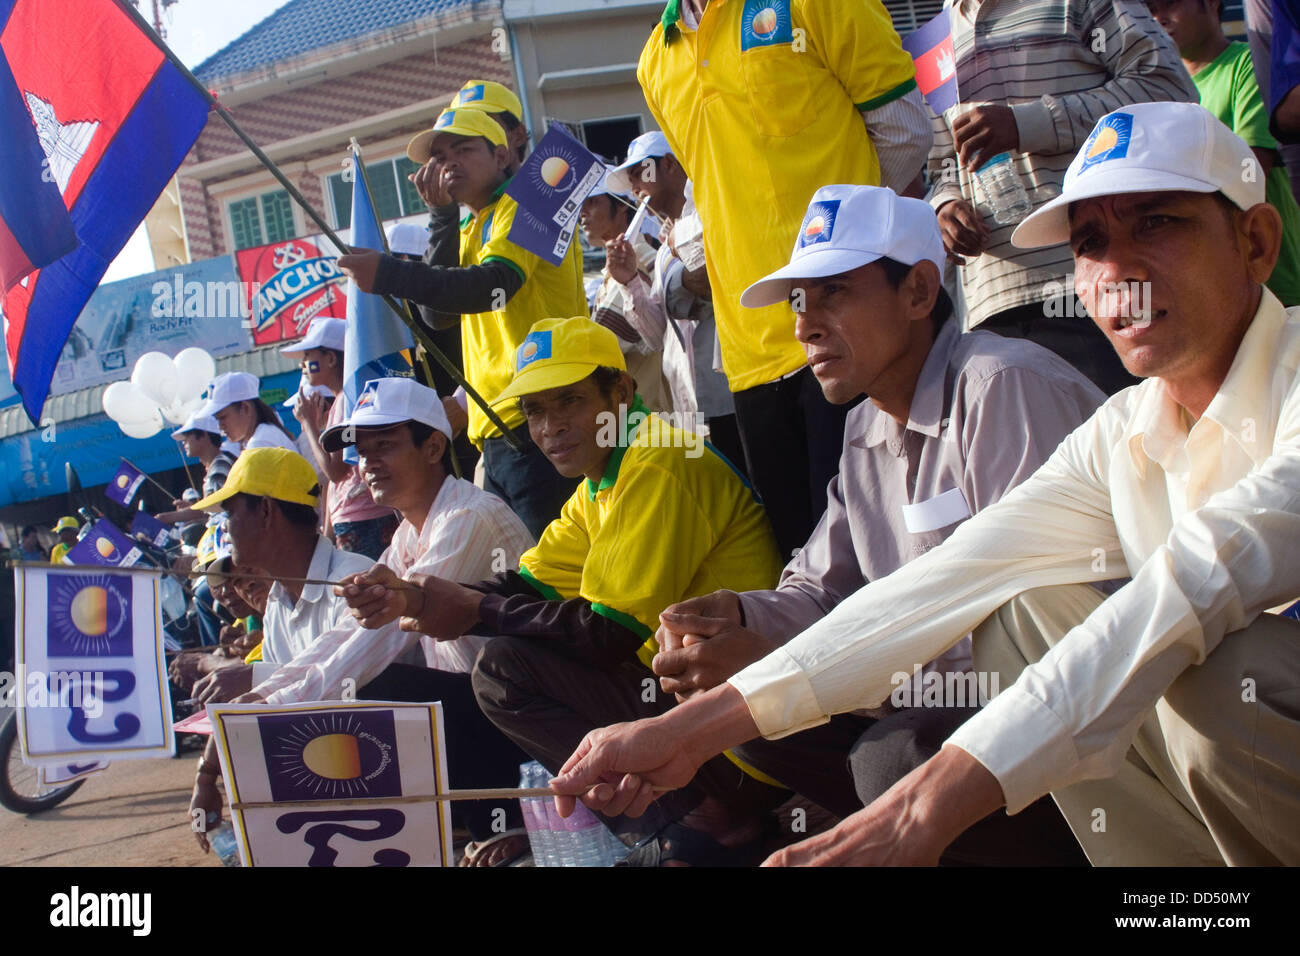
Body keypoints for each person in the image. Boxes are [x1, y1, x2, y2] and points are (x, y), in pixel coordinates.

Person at [552, 103, 1300, 867]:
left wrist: (920, 810)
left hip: (1123, 714)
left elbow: (1195, 581)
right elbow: (947, 579)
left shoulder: (1010, 383)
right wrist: (683, 732)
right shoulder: (1124, 429)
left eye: (1158, 224)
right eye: (1090, 242)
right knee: (1023, 626)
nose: (1117, 272)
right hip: (1090, 726)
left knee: (1204, 673)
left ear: (1256, 242)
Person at [360, 317, 784, 864]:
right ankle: (684, 813)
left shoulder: (659, 460)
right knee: (487, 663)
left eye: (568, 402)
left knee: (503, 669)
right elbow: (528, 584)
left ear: (622, 391)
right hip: (695, 708)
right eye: (535, 409)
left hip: (748, 733)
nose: (549, 427)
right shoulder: (604, 476)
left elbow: (607, 634)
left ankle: (705, 817)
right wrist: (421, 599)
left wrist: (471, 607)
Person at [637, 0, 933, 561]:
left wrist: (851, 258)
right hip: (750, 359)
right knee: (809, 568)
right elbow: (714, 183)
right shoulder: (656, 57)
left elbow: (904, 133)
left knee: (896, 552)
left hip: (858, 334)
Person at [238, 377, 537, 866]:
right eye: (361, 451)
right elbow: (350, 631)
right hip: (487, 717)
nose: (366, 464)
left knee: (377, 686)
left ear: (434, 446)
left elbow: (379, 643)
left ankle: (509, 818)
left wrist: (286, 703)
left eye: (385, 446)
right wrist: (271, 695)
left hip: (524, 725)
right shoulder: (408, 534)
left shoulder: (467, 518)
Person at [337, 108, 587, 539]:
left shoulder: (533, 201)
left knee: (556, 574)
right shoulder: (474, 224)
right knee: (520, 574)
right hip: (495, 429)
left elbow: (493, 286)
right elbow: (440, 316)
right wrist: (441, 216)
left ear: (503, 156)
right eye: (439, 156)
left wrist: (391, 274)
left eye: (463, 149)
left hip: (543, 418)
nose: (448, 163)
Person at [928, 0, 1196, 396]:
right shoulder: (937, 34)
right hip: (990, 311)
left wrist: (1026, 124)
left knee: (1130, 448)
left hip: (1092, 286)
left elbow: (1168, 89)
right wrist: (944, 205)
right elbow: (939, 162)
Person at [604, 131, 744, 471]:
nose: (635, 187)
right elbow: (656, 338)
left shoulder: (711, 217)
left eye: (639, 173)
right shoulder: (666, 246)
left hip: (732, 396)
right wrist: (629, 281)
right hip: (691, 408)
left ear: (670, 165)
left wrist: (677, 281)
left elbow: (706, 284)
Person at [1148, 0, 1300, 306]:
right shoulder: (1155, 92)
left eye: (1169, 4)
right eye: (1150, 10)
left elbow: (1249, 172)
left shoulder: (1247, 67)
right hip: (1207, 296)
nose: (1159, 18)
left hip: (1276, 285)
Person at [281, 318, 399, 560]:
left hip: (363, 518)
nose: (303, 364)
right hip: (358, 516)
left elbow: (335, 471)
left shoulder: (346, 400)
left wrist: (308, 424)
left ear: (331, 359)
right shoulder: (342, 400)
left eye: (307, 356)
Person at [580, 168, 673, 415]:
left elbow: (601, 343)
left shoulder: (639, 261)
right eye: (581, 204)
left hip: (648, 415)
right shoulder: (621, 264)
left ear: (622, 207)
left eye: (593, 202)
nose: (582, 213)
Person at [198, 371, 297, 453]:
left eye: (223, 417)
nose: (220, 426)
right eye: (217, 419)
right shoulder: (264, 434)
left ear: (245, 408)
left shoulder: (260, 443)